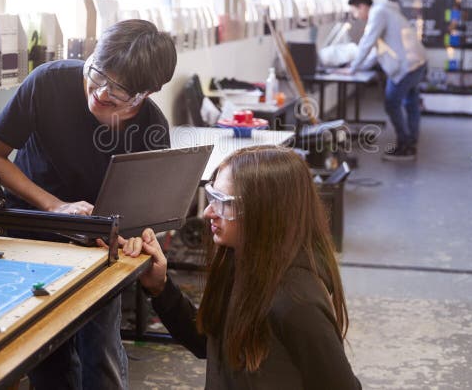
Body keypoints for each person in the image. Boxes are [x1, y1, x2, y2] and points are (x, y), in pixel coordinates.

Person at [0, 19, 177, 389]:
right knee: (47, 356)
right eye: (97, 72)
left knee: (99, 352)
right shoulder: (48, 82)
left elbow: (147, 215)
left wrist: (136, 235)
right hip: (33, 230)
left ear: (147, 93)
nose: (100, 91)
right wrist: (54, 206)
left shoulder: (151, 129)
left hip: (100, 248)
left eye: (118, 89)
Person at [123, 146, 361, 388]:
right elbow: (210, 343)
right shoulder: (240, 260)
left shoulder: (297, 302)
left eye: (222, 202)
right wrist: (160, 288)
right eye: (211, 196)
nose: (207, 212)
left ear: (267, 211)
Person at [343, 0, 427, 161]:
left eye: (355, 11)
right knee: (411, 103)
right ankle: (410, 143)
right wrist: (357, 67)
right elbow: (377, 51)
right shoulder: (386, 11)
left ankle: (405, 145)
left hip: (407, 67)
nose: (356, 16)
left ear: (363, 6)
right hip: (418, 62)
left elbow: (368, 43)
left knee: (391, 103)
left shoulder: (378, 13)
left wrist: (353, 68)